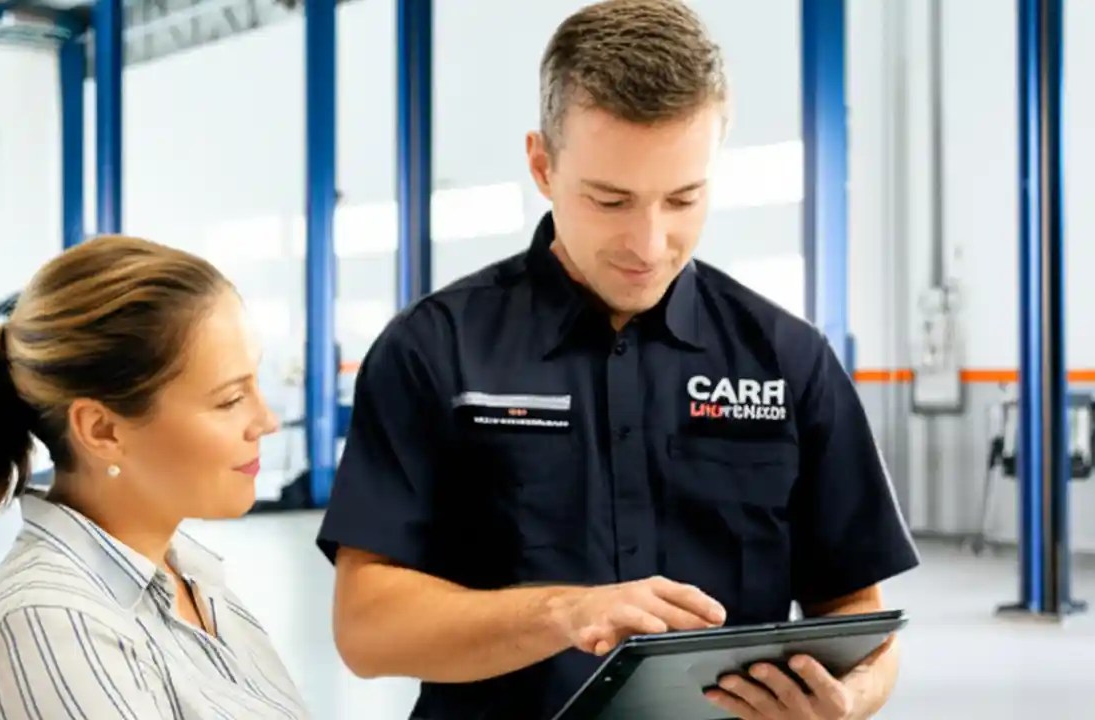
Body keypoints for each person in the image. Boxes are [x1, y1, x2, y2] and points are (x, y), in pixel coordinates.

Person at [316, 1, 920, 718]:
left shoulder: (790, 362)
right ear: (542, 164)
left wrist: (848, 700)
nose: (649, 242)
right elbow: (366, 629)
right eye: (610, 199)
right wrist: (562, 615)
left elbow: (858, 615)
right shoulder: (432, 352)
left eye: (684, 197)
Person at [0, 236, 309, 719]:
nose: (266, 421)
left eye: (255, 384)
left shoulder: (190, 579)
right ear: (102, 430)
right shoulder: (53, 625)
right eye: (228, 400)